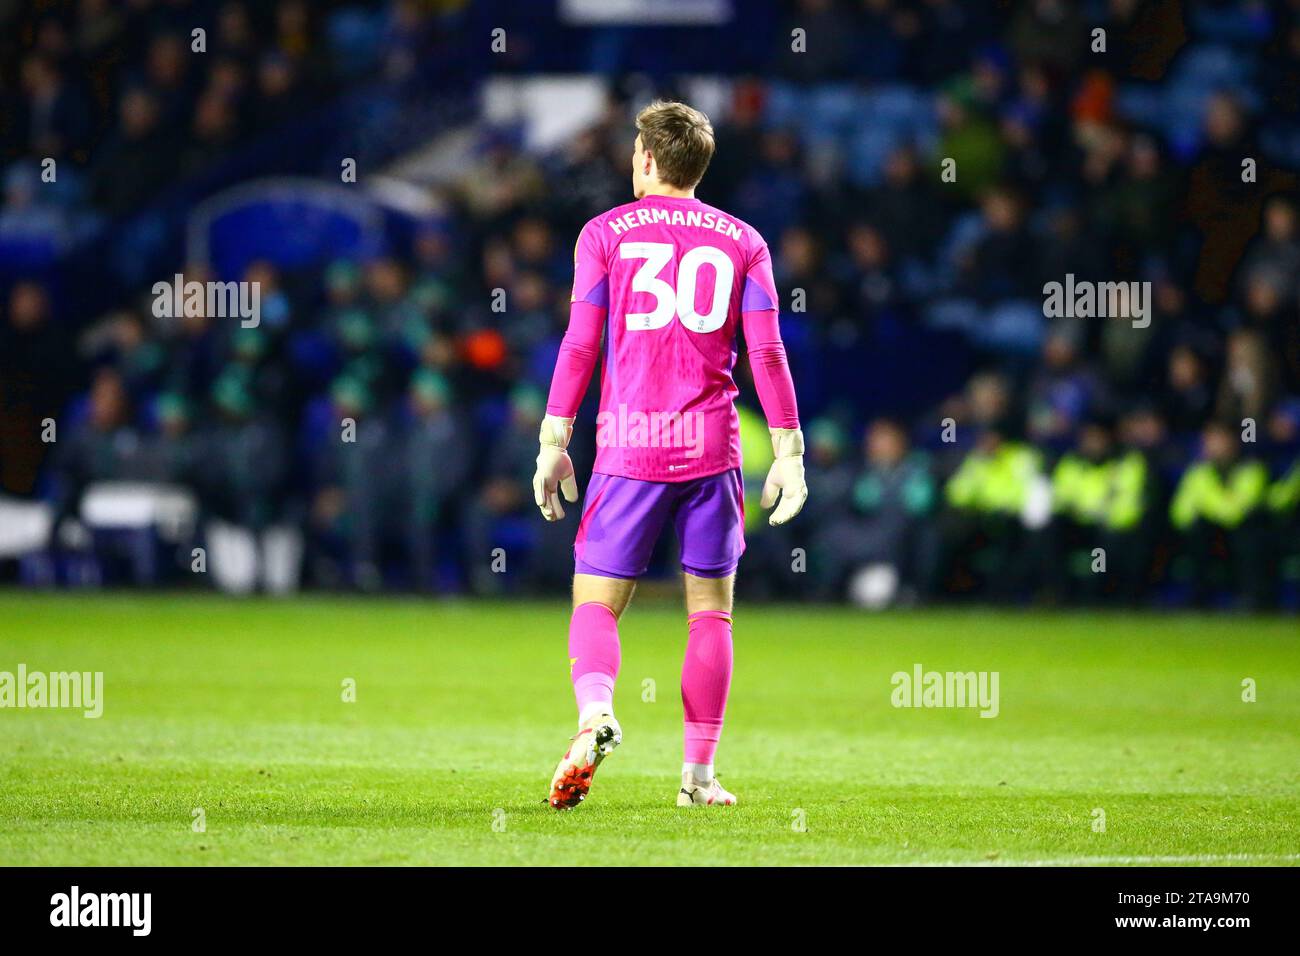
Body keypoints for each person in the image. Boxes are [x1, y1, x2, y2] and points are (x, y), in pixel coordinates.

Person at [532, 101, 806, 809]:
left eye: (633, 151)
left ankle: (596, 715)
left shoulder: (604, 234)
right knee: (710, 610)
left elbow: (581, 344)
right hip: (712, 448)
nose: (630, 161)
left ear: (650, 160)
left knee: (597, 603)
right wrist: (789, 450)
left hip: (629, 446)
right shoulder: (744, 240)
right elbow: (768, 353)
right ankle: (698, 778)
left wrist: (554, 439)